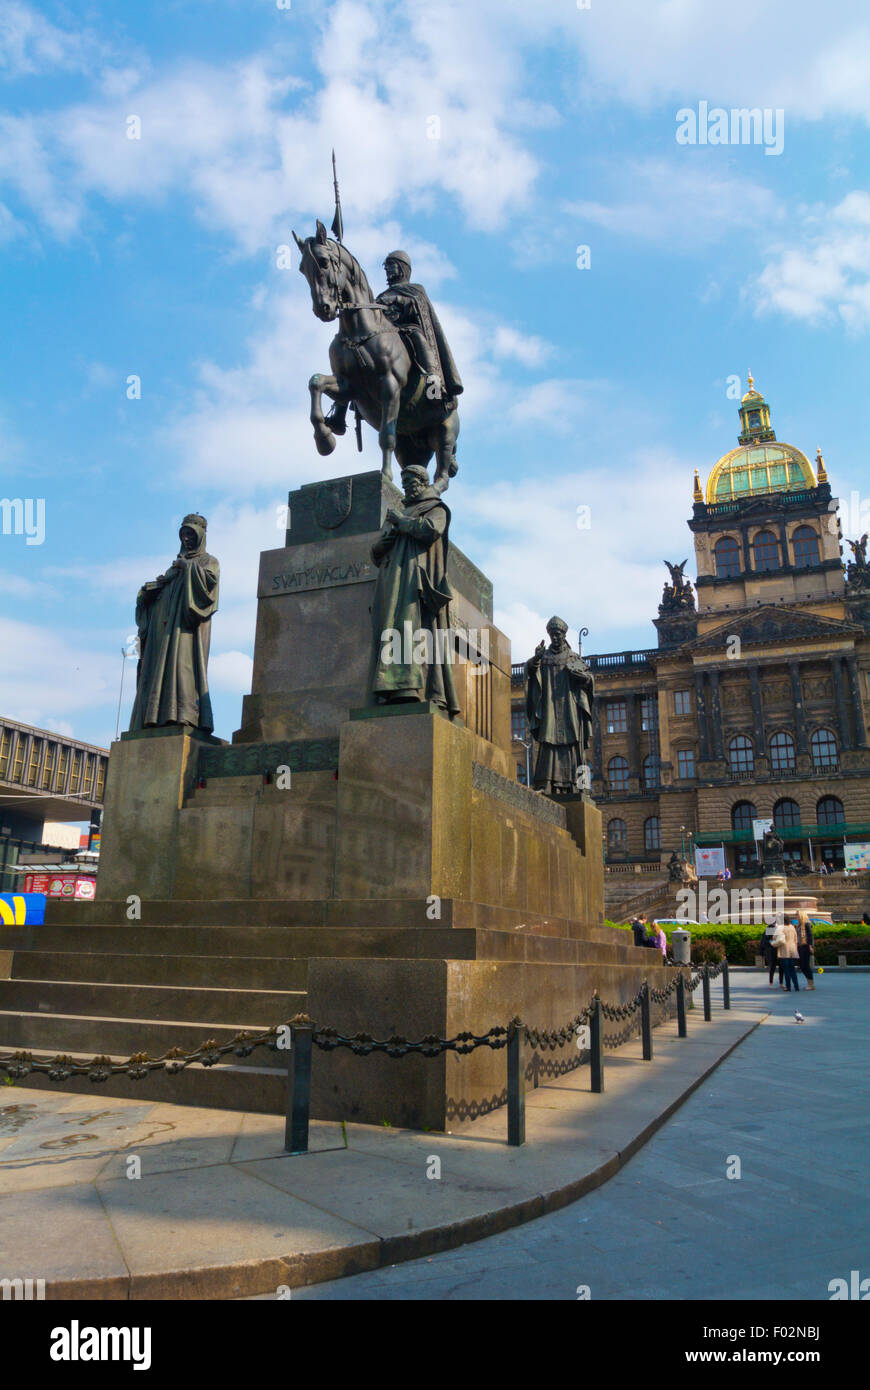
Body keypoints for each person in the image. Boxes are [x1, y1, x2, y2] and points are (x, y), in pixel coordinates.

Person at [369, 465, 460, 714]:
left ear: (423, 481)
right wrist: (381, 545)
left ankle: (409, 688)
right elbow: (376, 553)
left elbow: (431, 531)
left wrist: (403, 522)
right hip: (392, 581)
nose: (407, 484)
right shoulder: (398, 512)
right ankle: (390, 688)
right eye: (404, 480)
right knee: (392, 630)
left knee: (411, 631)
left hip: (414, 581)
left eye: (411, 480)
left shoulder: (436, 508)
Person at [129, 513, 219, 732]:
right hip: (163, 630)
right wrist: (151, 591)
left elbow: (208, 591)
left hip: (186, 632)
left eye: (191, 534)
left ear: (201, 535)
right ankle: (155, 716)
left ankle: (183, 714)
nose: (186, 539)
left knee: (183, 671)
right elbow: (161, 593)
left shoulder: (209, 562)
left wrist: (186, 568)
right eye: (184, 534)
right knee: (158, 672)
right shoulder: (174, 566)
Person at [771, 918, 801, 992]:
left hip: (784, 951)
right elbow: (796, 939)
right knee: (792, 969)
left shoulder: (781, 928)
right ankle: (796, 986)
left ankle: (788, 987)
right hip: (793, 950)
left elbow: (774, 937)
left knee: (786, 970)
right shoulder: (792, 927)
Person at [795, 910, 816, 989]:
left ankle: (811, 984)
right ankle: (809, 983)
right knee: (802, 965)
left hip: (805, 946)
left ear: (801, 915)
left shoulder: (807, 924)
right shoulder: (799, 925)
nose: (796, 916)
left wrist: (810, 946)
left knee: (805, 965)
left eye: (797, 914)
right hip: (800, 946)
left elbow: (810, 935)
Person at [760, 921, 783, 987]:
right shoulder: (771, 927)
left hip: (780, 950)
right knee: (773, 966)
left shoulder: (782, 928)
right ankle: (771, 983)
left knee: (781, 967)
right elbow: (766, 940)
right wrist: (774, 942)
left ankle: (781, 983)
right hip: (772, 950)